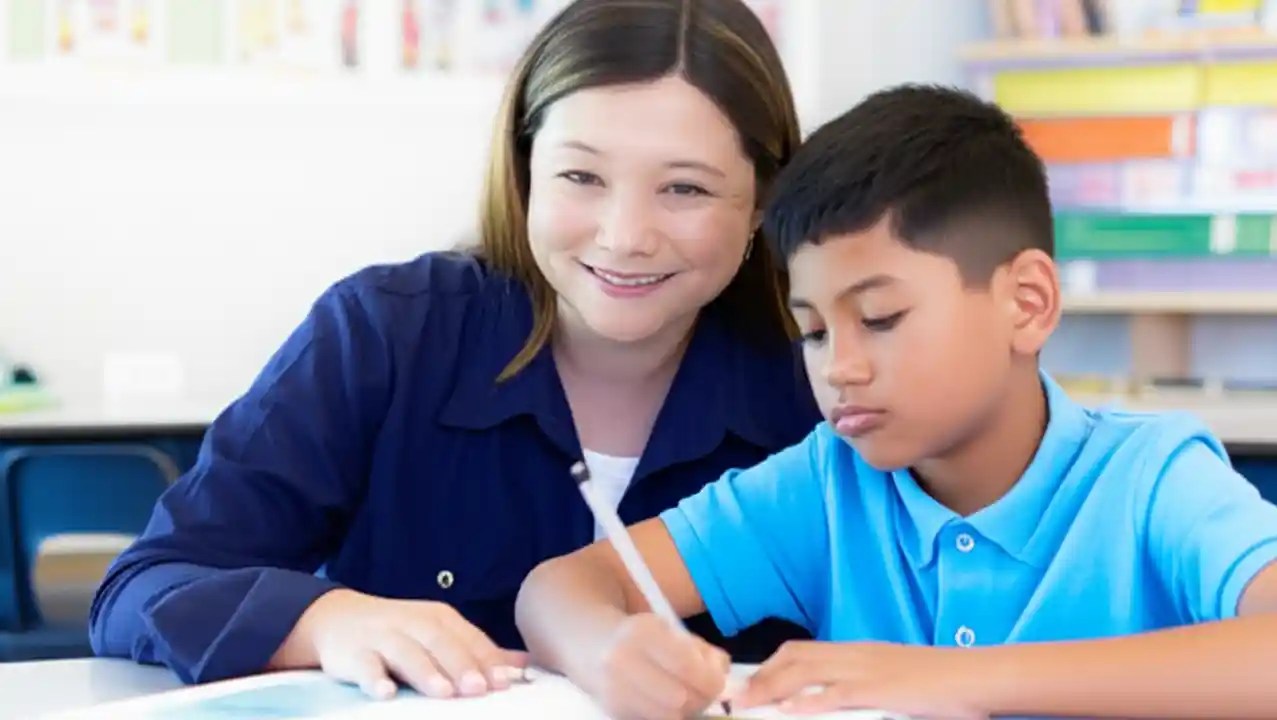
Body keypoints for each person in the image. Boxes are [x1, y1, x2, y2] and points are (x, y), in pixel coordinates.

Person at [90, 0, 821, 700]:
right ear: (525, 167)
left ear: (762, 200)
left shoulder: (823, 384)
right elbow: (145, 586)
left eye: (685, 189)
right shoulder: (387, 335)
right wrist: (325, 619)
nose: (625, 235)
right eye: (581, 176)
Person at [514, 84, 1277, 720]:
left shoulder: (1152, 478)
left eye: (880, 319)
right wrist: (607, 650)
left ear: (1027, 301)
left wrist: (944, 677)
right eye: (813, 333)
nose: (840, 367)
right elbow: (562, 587)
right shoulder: (826, 487)